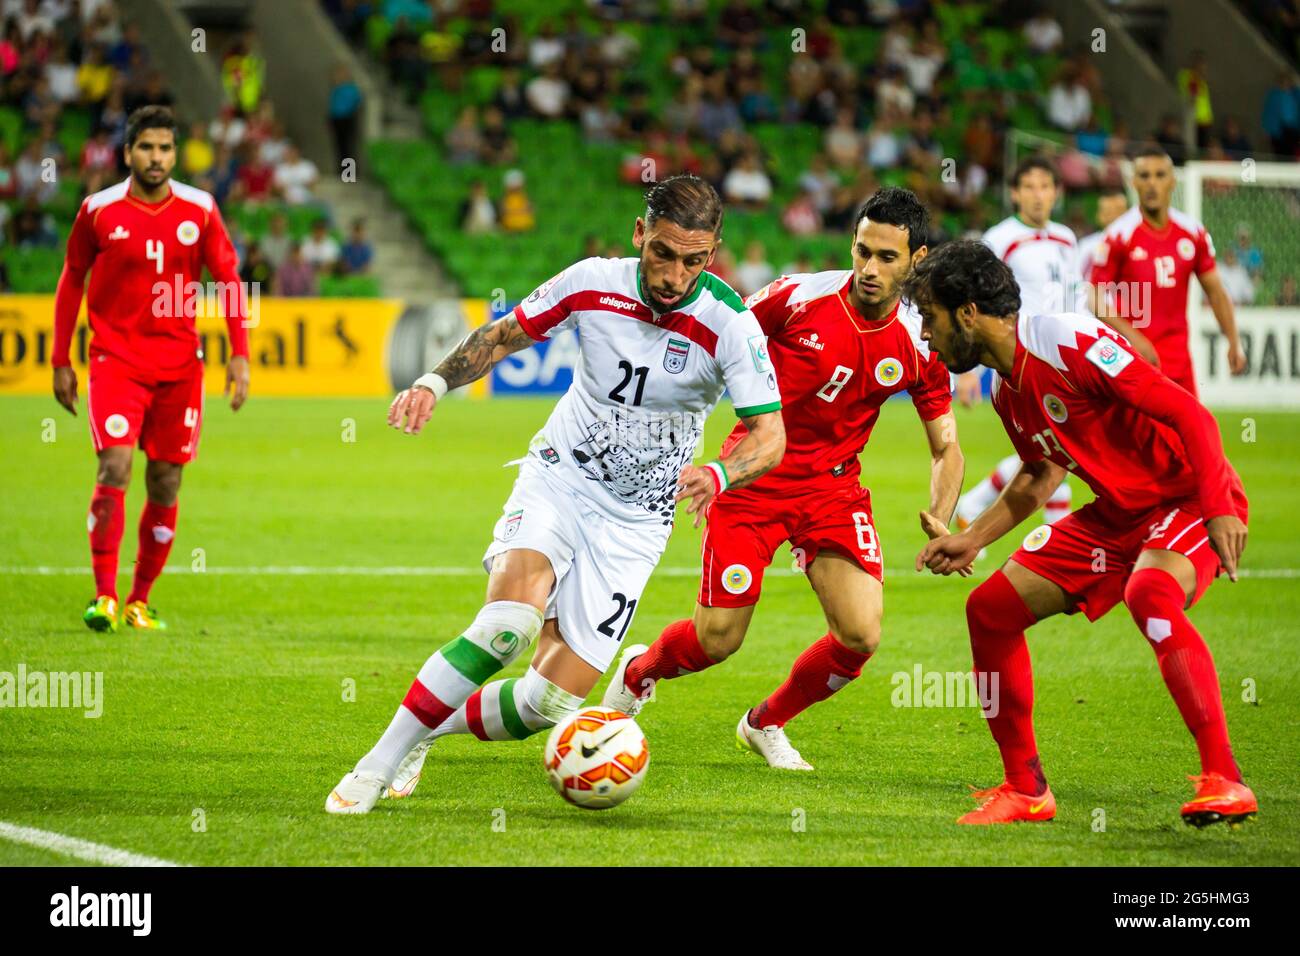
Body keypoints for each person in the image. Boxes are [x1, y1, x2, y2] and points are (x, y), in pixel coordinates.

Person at [326, 175, 785, 814]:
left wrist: (721, 473)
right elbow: (502, 335)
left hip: (637, 522)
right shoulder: (592, 280)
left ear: (713, 254)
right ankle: (373, 767)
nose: (675, 275)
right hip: (561, 476)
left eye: (695, 260)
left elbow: (769, 435)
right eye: (663, 252)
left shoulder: (730, 324)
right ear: (639, 236)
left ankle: (424, 733)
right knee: (507, 627)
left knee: (549, 704)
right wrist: (433, 381)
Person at [601, 188, 963, 770]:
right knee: (717, 640)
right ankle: (640, 671)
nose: (869, 269)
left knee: (860, 636)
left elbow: (946, 444)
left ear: (917, 259)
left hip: (833, 491)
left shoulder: (921, 338)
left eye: (887, 258)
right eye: (862, 251)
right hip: (753, 480)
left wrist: (941, 513)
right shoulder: (798, 298)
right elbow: (718, 332)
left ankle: (764, 723)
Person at [911, 239, 1256, 828]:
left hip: (1187, 496)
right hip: (1118, 517)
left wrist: (1219, 505)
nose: (926, 336)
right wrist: (976, 539)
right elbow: (1040, 472)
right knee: (990, 610)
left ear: (967, 312)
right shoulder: (1005, 388)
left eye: (930, 317)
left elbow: (1189, 414)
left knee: (1149, 593)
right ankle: (1026, 790)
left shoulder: (1067, 340)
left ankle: (1225, 780)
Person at [51, 106, 251, 633]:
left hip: (180, 368)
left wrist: (240, 353)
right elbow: (73, 277)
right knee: (114, 467)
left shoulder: (200, 208)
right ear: (127, 153)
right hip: (115, 362)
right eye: (146, 147)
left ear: (174, 153)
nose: (156, 157)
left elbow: (229, 279)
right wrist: (59, 360)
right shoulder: (98, 210)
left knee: (165, 481)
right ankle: (104, 595)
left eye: (164, 148)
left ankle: (140, 600)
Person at [954, 157, 1080, 531]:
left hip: (1063, 359)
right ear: (1014, 193)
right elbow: (977, 300)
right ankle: (1060, 542)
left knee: (1052, 451)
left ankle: (974, 503)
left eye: (1045, 186)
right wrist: (968, 368)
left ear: (1056, 192)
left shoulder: (1066, 238)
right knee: (1059, 452)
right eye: (1029, 186)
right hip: (1021, 358)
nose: (1038, 195)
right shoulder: (1000, 238)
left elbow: (1074, 297)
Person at [1090, 146, 1247, 396]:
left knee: (1192, 435)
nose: (1152, 183)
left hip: (1180, 366)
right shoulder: (1118, 235)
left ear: (1172, 182)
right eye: (1144, 176)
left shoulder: (1192, 232)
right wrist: (1135, 339)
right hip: (1133, 363)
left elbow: (1216, 292)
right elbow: (1095, 299)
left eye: (1160, 175)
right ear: (1134, 183)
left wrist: (1233, 341)